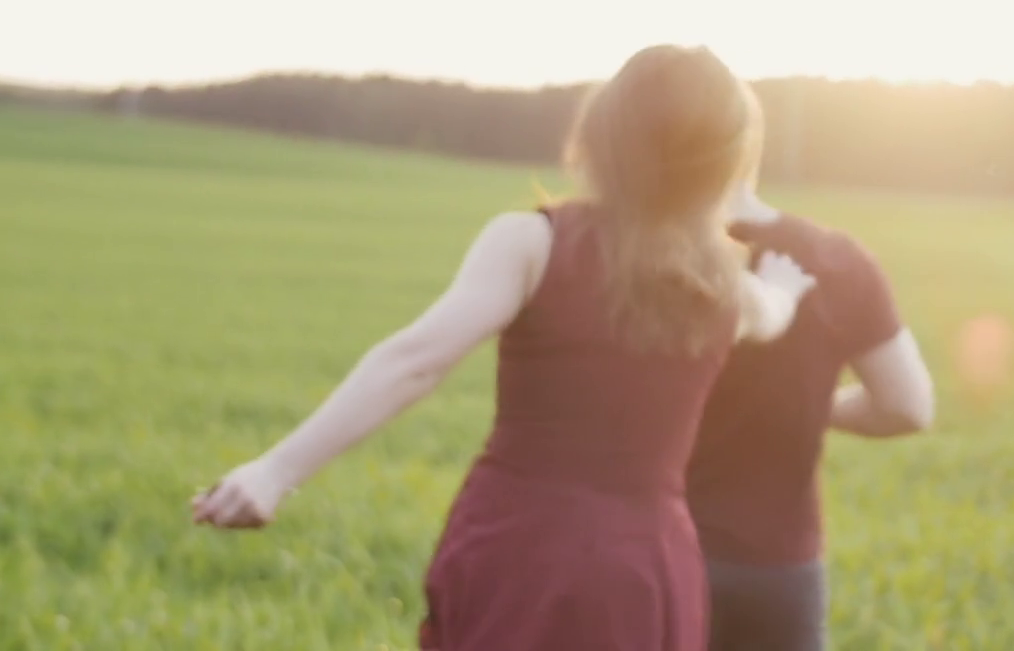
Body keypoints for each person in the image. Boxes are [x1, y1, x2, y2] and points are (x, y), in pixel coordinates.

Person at [191, 45, 817, 651]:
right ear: (725, 165)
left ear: (601, 132)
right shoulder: (723, 288)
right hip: (646, 569)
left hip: (521, 547)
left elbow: (414, 361)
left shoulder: (530, 242)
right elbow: (775, 315)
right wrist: (783, 286)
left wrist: (277, 471)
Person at [687, 182, 936, 651]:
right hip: (776, 570)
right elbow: (908, 405)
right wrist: (806, 402)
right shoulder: (834, 260)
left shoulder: (629, 252)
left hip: (650, 557)